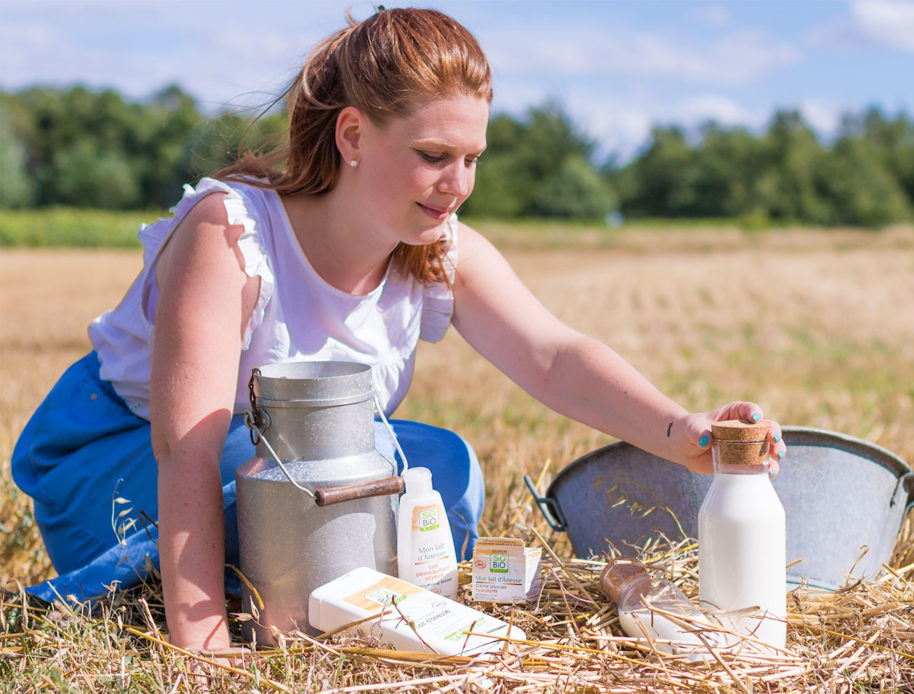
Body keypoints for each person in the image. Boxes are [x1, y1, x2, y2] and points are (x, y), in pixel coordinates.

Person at [11, 7, 785, 653]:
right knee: (361, 458)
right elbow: (187, 446)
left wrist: (686, 430)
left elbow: (552, 357)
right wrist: (204, 643)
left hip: (287, 473)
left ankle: (313, 597)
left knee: (443, 468)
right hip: (124, 471)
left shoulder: (436, 247)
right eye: (433, 156)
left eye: (472, 158)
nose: (458, 187)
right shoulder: (232, 233)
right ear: (352, 136)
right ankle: (135, 594)